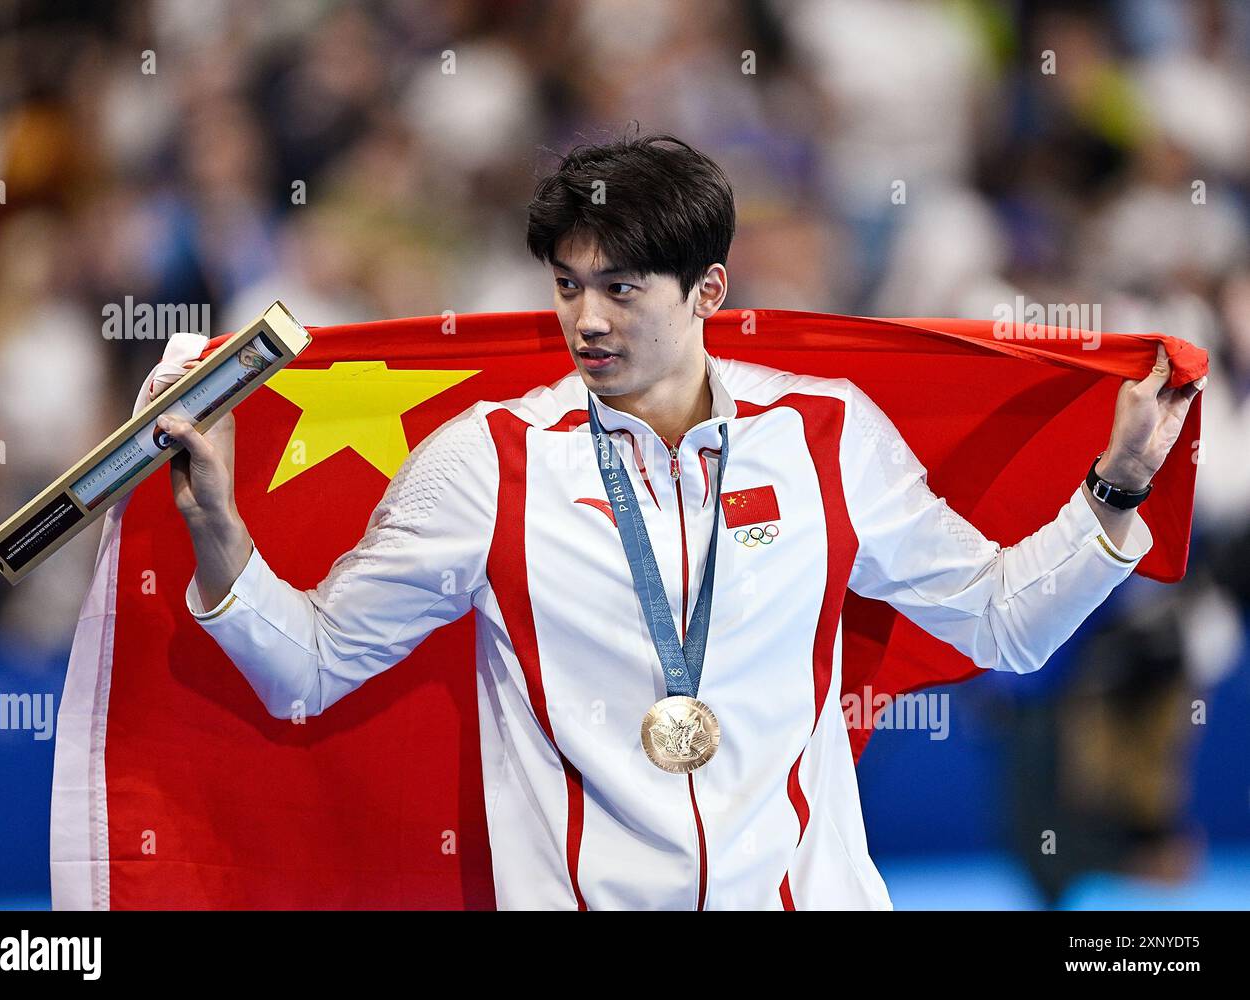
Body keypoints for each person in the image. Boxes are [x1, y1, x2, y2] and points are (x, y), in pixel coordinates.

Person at [153, 133, 1203, 910]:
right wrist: (221, 536)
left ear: (708, 291)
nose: (587, 319)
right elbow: (311, 667)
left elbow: (1000, 622)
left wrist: (1114, 485)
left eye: (621, 286)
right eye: (567, 286)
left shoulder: (824, 436)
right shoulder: (487, 461)